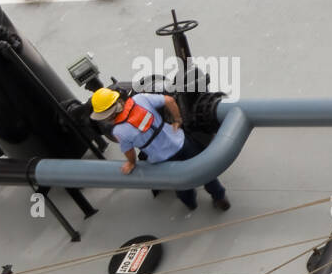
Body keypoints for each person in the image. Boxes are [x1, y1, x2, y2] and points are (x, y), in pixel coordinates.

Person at [90, 87, 230, 212]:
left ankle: (191, 203)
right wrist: (177, 120)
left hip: (163, 160)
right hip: (181, 142)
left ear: (109, 114)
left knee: (181, 184)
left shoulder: (120, 131)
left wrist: (131, 163)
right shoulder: (139, 99)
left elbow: (129, 152)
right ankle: (220, 198)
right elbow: (169, 100)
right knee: (205, 171)